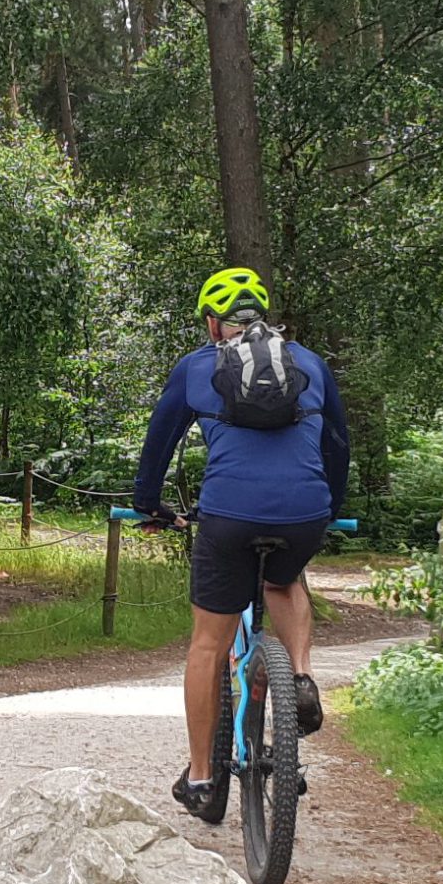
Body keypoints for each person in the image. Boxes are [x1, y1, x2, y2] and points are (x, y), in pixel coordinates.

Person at [131, 266, 350, 822]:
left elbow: (159, 446)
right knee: (284, 577)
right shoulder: (309, 363)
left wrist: (149, 506)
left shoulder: (198, 368)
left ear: (213, 323)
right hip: (305, 510)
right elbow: (338, 446)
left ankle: (202, 778)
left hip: (228, 515)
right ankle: (299, 675)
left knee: (208, 643)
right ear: (264, 316)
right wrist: (328, 508)